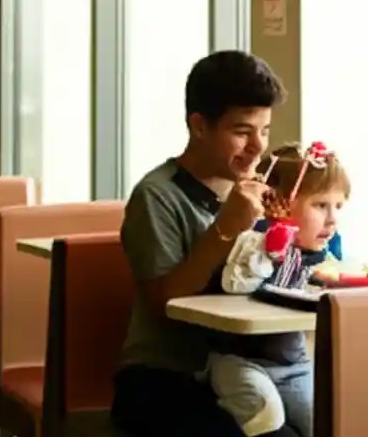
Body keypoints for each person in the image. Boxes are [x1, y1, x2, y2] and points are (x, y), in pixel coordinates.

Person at [111, 51, 289, 436]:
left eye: (266, 130)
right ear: (200, 126)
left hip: (250, 370)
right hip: (165, 377)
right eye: (242, 132)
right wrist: (225, 228)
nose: (258, 147)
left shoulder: (263, 192)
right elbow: (163, 302)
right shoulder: (157, 196)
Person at [210, 142, 348, 437]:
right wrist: (270, 250)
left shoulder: (318, 255)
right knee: (265, 414)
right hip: (238, 361)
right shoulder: (253, 242)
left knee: (325, 423)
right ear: (279, 204)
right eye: (320, 205)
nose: (333, 218)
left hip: (292, 361)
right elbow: (236, 284)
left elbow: (327, 277)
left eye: (338, 206)